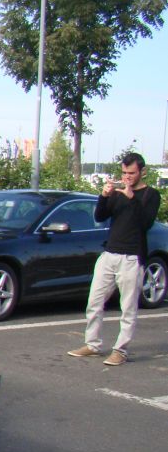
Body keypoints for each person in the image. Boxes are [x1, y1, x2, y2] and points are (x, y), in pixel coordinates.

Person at [68, 152, 162, 366]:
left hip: (131, 257)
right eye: (124, 173)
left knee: (127, 307)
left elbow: (145, 223)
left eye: (131, 173)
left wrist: (132, 200)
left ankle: (120, 350)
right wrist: (104, 195)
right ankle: (92, 344)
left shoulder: (150, 195)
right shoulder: (118, 194)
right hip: (110, 253)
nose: (127, 177)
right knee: (94, 301)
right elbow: (100, 216)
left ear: (142, 172)